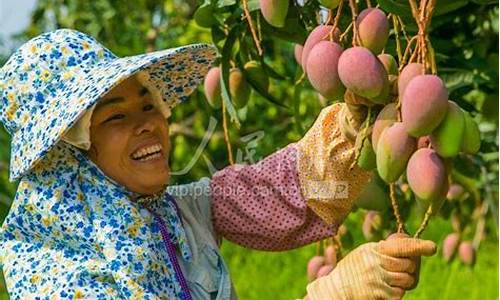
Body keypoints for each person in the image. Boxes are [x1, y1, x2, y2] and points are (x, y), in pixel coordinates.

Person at [0, 29, 436, 299]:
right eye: (116, 116)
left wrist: (349, 131)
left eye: (148, 105)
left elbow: (282, 194)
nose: (148, 125)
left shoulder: (173, 212)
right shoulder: (62, 273)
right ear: (71, 154)